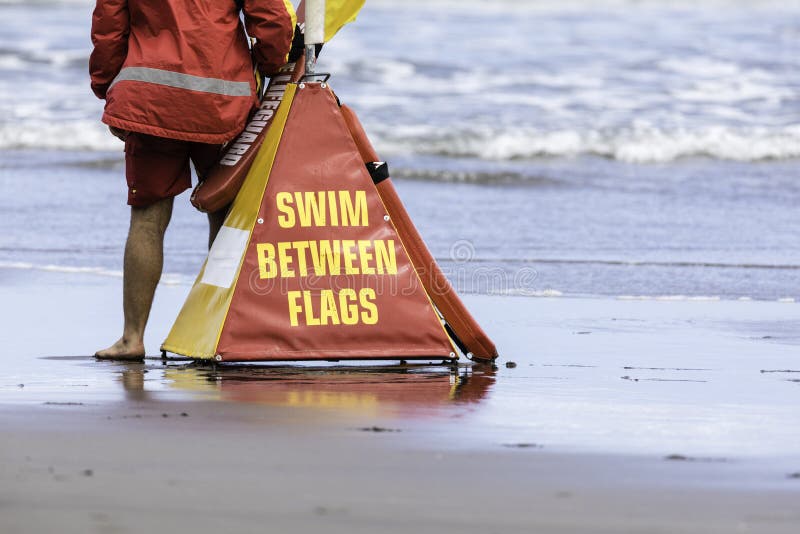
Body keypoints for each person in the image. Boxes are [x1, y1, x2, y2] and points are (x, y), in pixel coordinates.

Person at [90, 0, 294, 359]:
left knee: (147, 218)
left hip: (151, 97)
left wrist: (110, 88)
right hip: (223, 101)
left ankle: (132, 338)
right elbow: (271, 20)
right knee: (226, 215)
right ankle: (221, 333)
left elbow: (108, 29)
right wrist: (273, 67)